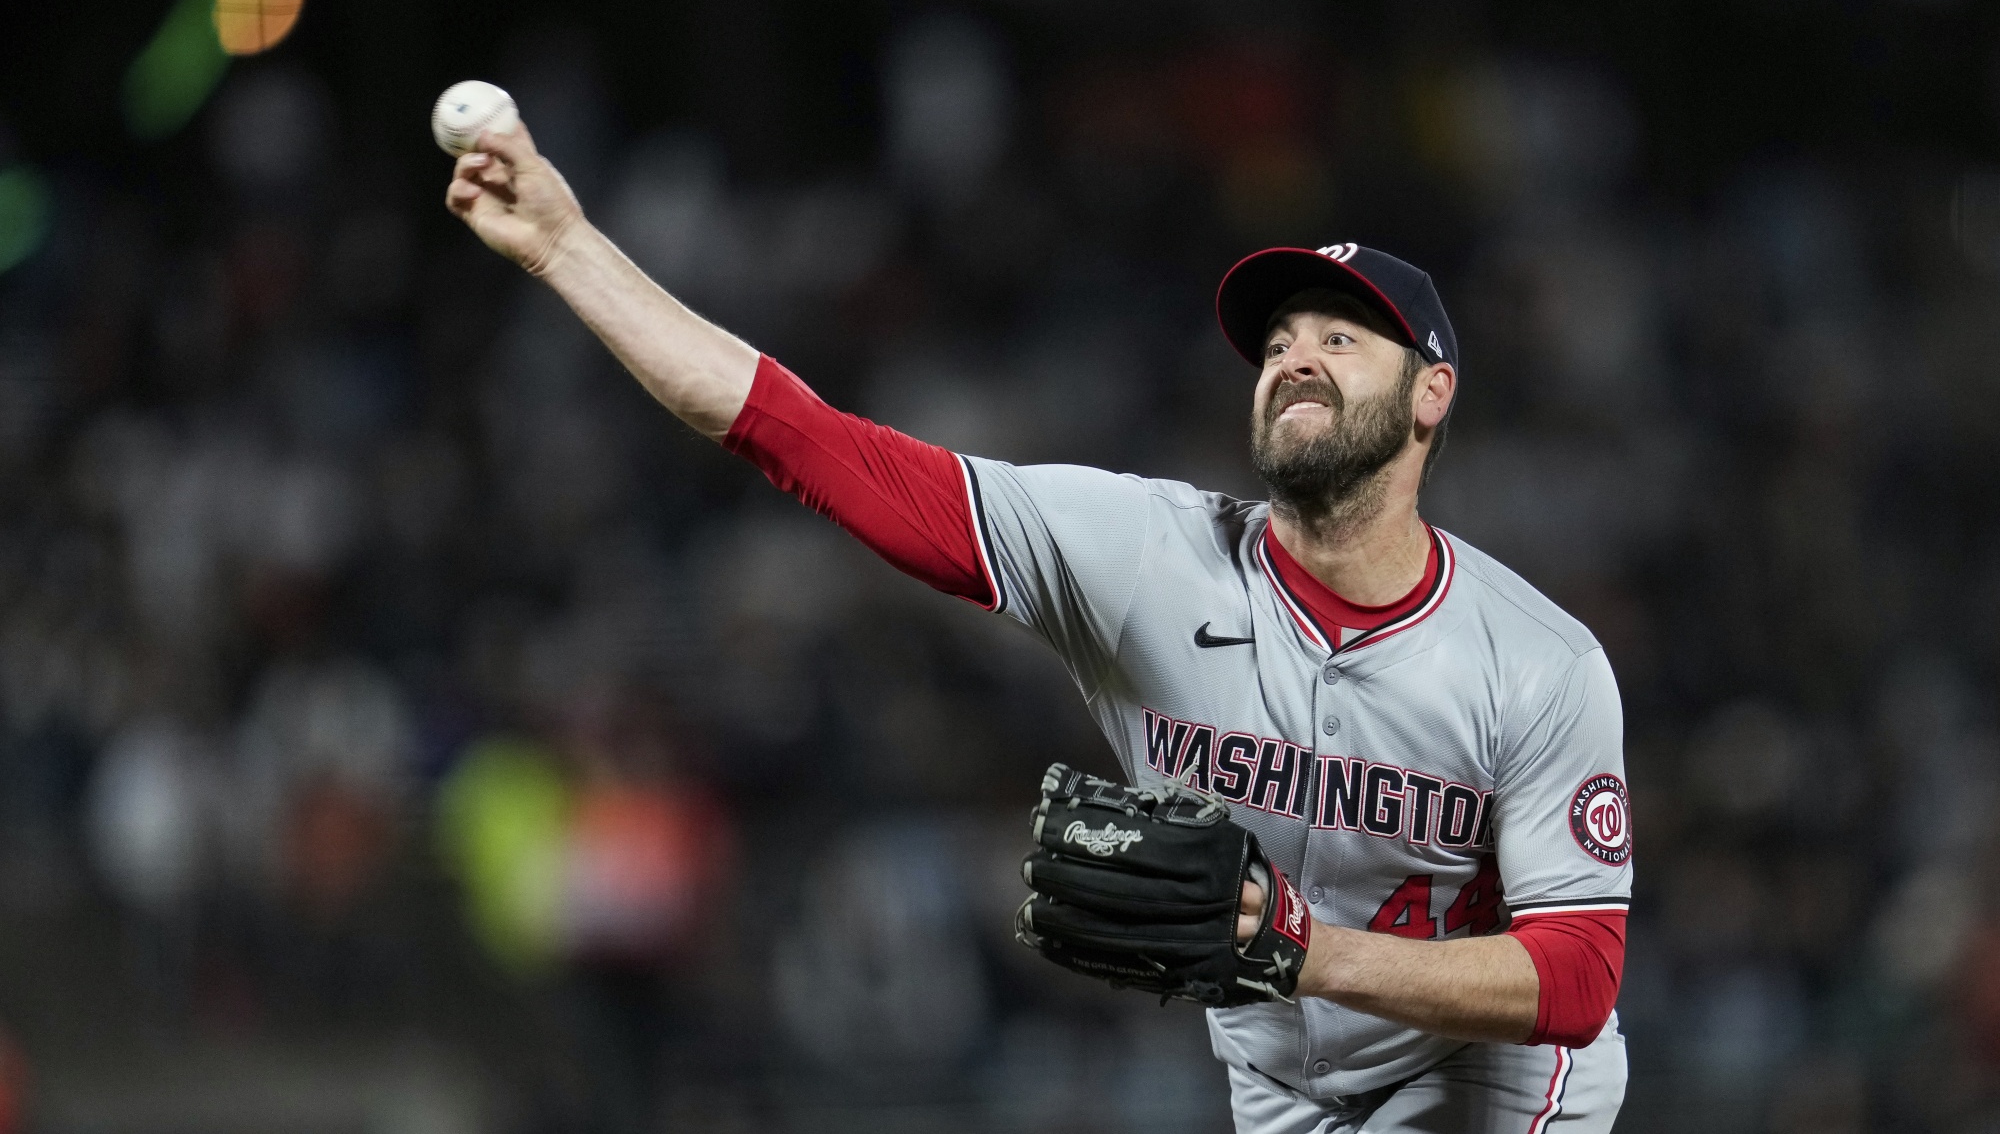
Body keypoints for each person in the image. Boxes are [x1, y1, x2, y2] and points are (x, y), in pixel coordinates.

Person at [445, 124, 1631, 1133]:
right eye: (1275, 343)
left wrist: (1298, 948)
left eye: (1339, 337)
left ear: (1431, 392)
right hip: (1278, 1088)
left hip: (1495, 1083)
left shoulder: (1534, 661)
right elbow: (805, 441)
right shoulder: (1141, 558)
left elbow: (1576, 977)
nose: (1293, 360)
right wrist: (565, 248)